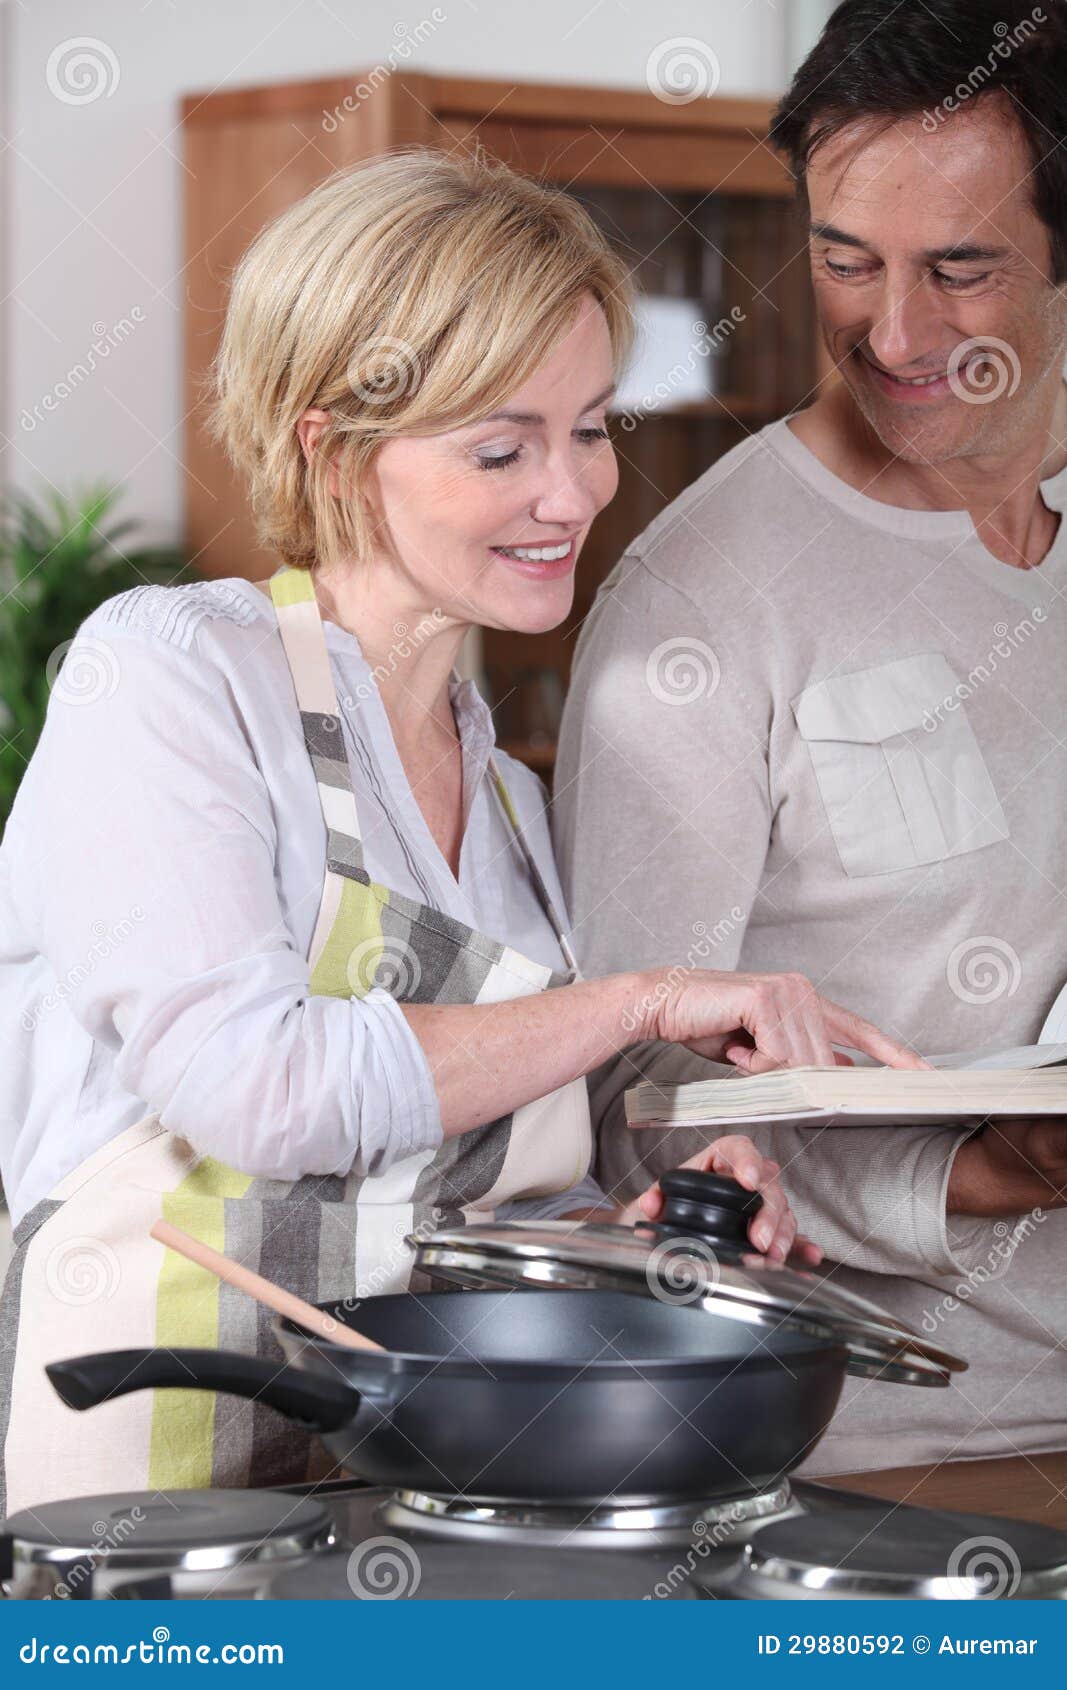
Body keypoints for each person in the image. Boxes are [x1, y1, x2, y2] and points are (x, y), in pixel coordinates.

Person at [0, 147, 919, 1516]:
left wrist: (639, 1218)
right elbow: (259, 1090)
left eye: (593, 424)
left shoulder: (508, 799)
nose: (575, 493)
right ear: (335, 449)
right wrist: (641, 1000)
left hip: (409, 1498)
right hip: (157, 1509)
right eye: (503, 445)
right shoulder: (175, 676)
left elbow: (450, 1208)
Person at [554, 0, 1067, 1476]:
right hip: (891, 1450)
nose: (892, 333)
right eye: (847, 260)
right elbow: (627, 1113)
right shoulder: (698, 605)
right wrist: (984, 1170)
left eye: (960, 268)